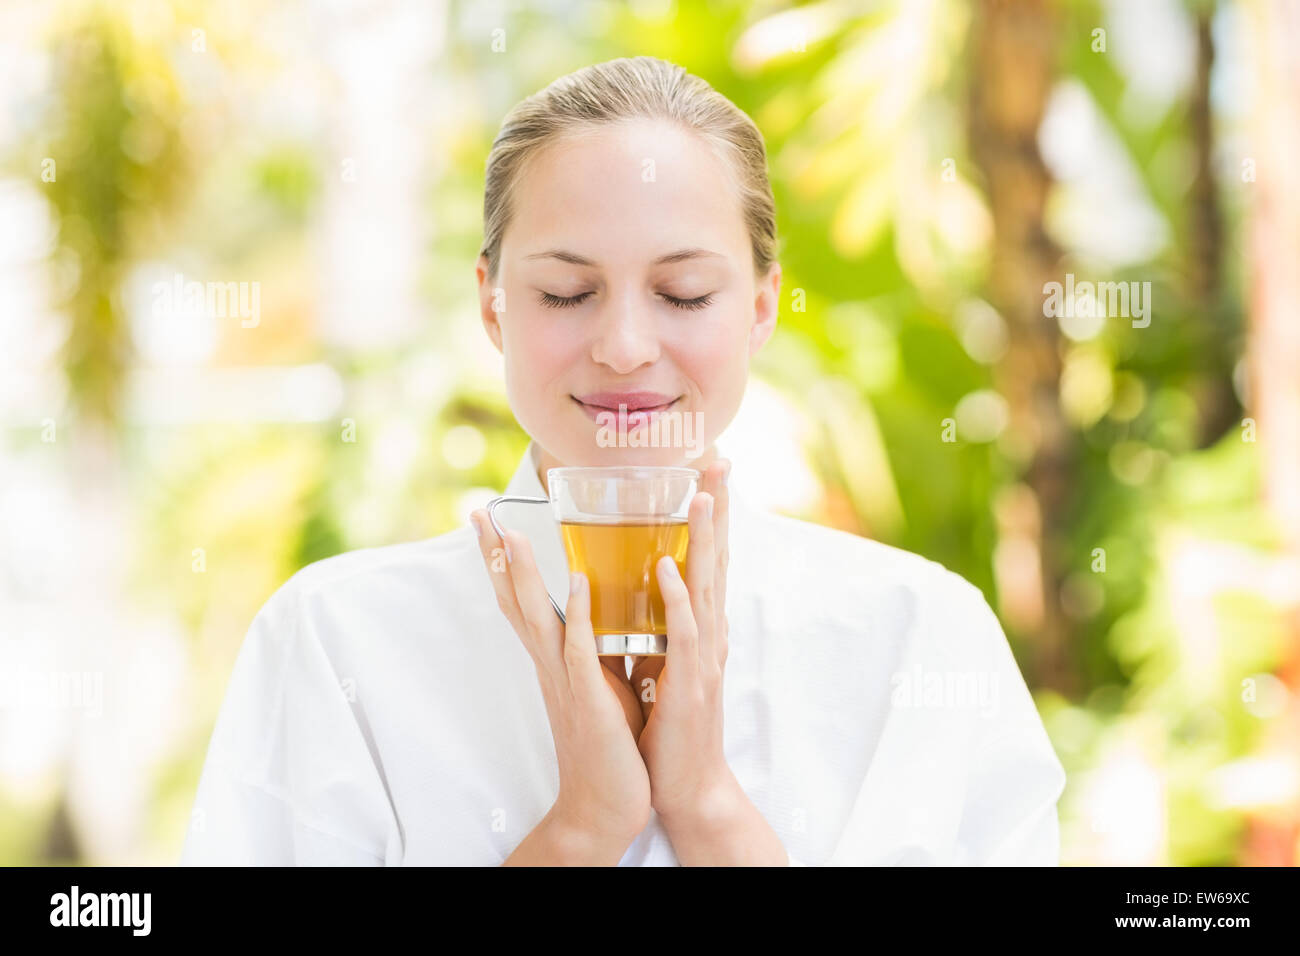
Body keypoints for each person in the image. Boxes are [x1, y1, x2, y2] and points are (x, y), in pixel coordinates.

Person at [181, 56, 1065, 866]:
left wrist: (708, 806)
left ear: (760, 309)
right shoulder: (336, 642)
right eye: (568, 292)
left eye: (684, 293)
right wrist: (581, 829)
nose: (626, 346)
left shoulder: (920, 640)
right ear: (492, 307)